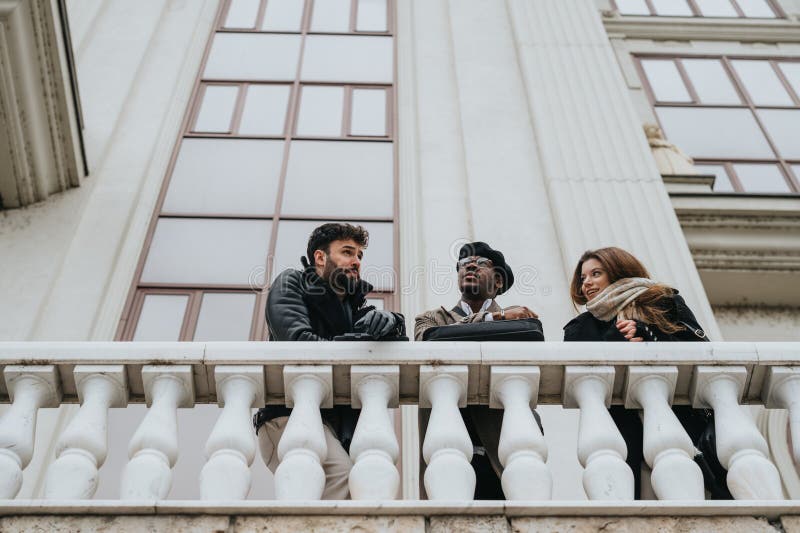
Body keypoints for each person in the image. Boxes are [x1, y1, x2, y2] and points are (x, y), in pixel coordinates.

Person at [254, 222, 406, 499]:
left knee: (363, 488)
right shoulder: (291, 282)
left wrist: (392, 320)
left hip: (330, 427)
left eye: (359, 255)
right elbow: (298, 342)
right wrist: (355, 343)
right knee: (343, 479)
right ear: (320, 257)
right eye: (347, 252)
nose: (356, 261)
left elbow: (389, 341)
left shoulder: (353, 306)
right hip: (289, 416)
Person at [562, 247, 725, 499]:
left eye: (596, 274)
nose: (587, 283)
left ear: (618, 271)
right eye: (583, 278)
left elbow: (699, 351)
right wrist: (614, 340)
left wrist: (649, 334)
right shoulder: (580, 327)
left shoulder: (662, 301)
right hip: (622, 432)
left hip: (680, 420)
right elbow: (579, 375)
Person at [415, 241, 539, 499]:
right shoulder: (430, 319)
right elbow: (431, 339)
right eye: (464, 263)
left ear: (498, 281)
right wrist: (493, 319)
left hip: (506, 449)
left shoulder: (520, 319)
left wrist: (497, 319)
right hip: (448, 448)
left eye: (482, 263)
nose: (470, 266)